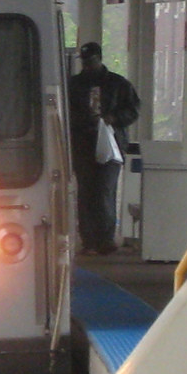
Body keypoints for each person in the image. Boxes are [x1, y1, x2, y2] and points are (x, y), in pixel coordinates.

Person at [68, 41, 141, 255]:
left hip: (111, 146)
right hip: (82, 145)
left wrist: (114, 119)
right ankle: (89, 239)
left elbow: (133, 110)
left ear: (99, 58)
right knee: (86, 191)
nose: (87, 66)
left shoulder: (118, 84)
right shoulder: (74, 85)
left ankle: (105, 238)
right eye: (85, 62)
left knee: (104, 191)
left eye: (90, 62)